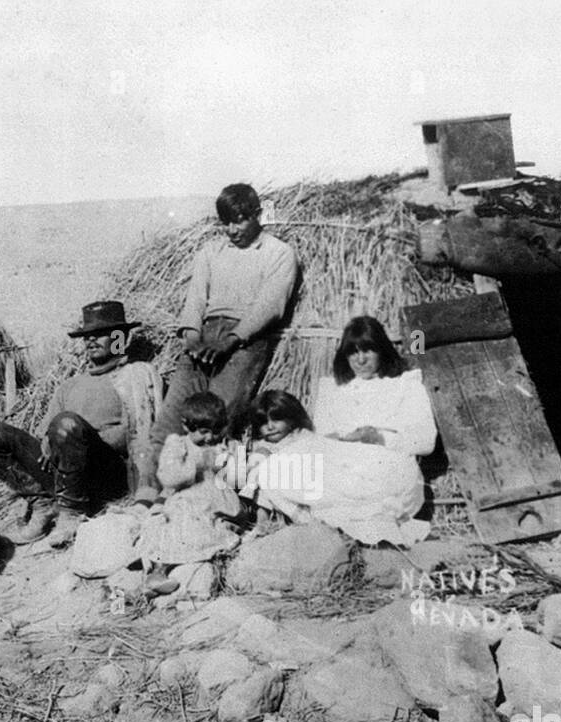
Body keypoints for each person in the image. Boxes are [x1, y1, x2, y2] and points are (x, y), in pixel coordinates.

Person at [134, 183, 299, 503]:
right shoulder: (211, 252)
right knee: (170, 418)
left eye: (240, 220)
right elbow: (196, 299)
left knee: (218, 418)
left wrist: (233, 341)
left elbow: (270, 304)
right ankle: (149, 490)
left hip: (245, 341)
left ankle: (202, 497)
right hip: (204, 338)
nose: (233, 229)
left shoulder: (278, 253)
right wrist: (193, 338)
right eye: (226, 222)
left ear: (257, 215)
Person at [0, 301, 162, 546]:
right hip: (62, 471)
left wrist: (79, 438)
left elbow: (141, 432)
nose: (90, 341)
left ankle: (72, 514)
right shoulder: (69, 385)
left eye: (99, 335)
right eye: (86, 337)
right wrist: (49, 442)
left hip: (103, 473)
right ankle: (42, 503)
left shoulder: (134, 378)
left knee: (66, 424)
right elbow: (45, 434)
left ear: (119, 338)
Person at [243, 316, 439, 545]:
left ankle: (351, 526)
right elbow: (322, 436)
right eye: (353, 352)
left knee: (355, 494)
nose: (361, 359)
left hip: (388, 467)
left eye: (368, 350)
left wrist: (378, 437)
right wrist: (339, 439)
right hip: (341, 464)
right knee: (272, 470)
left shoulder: (405, 385)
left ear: (383, 350)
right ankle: (317, 525)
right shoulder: (333, 388)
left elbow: (426, 442)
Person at [134, 391, 243, 574]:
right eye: (203, 432)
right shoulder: (178, 444)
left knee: (198, 526)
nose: (210, 438)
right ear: (186, 426)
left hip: (217, 502)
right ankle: (158, 572)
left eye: (216, 431)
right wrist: (197, 464)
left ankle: (163, 570)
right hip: (184, 501)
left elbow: (239, 481)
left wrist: (228, 460)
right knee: (169, 524)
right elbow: (168, 477)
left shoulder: (230, 445)